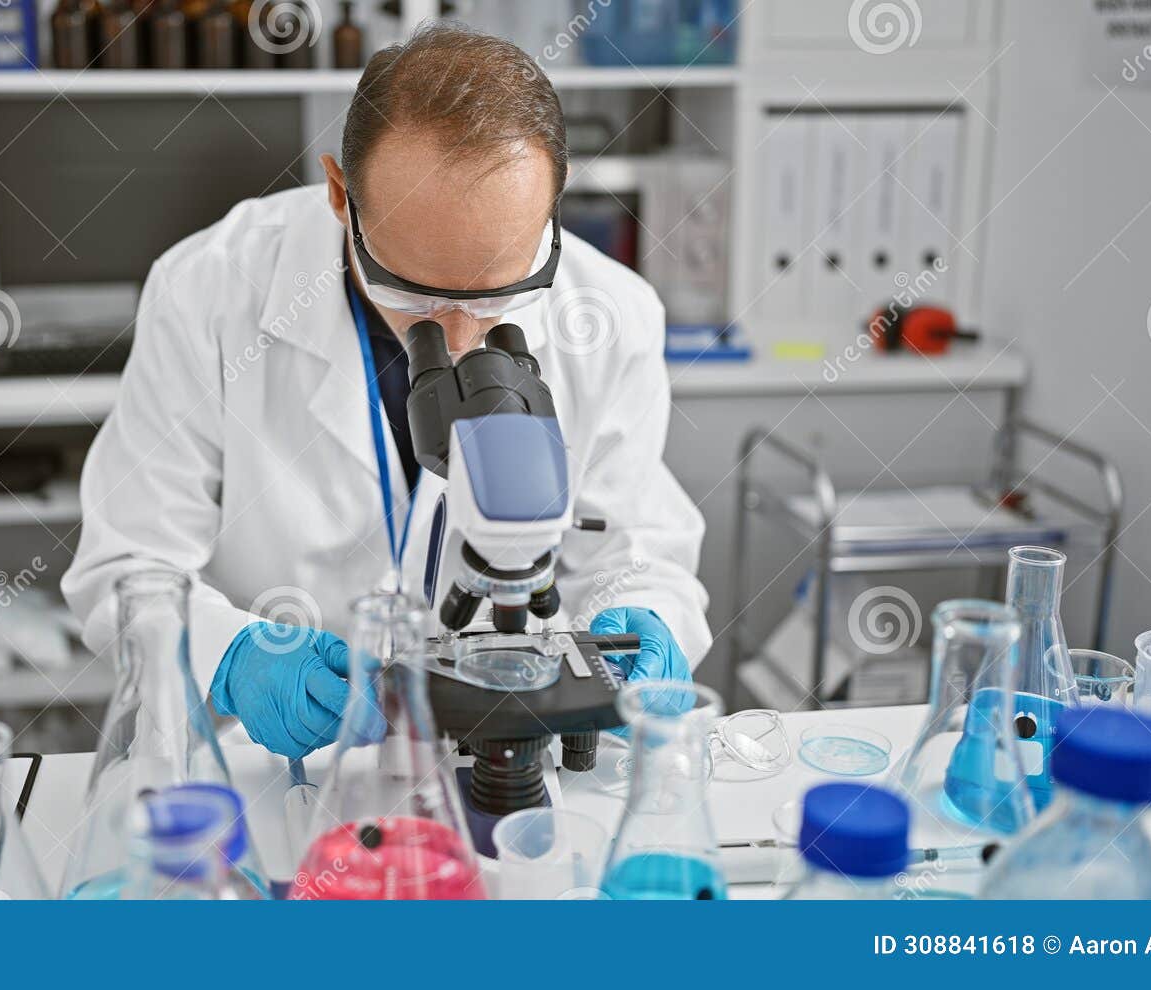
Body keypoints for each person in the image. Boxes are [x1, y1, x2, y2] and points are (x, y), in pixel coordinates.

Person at [63, 24, 710, 761]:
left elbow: (633, 548)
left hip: (498, 743)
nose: (462, 338)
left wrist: (639, 615)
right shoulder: (209, 291)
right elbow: (128, 568)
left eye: (503, 288)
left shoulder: (612, 313)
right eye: (417, 290)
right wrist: (232, 657)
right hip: (270, 760)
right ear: (342, 195)